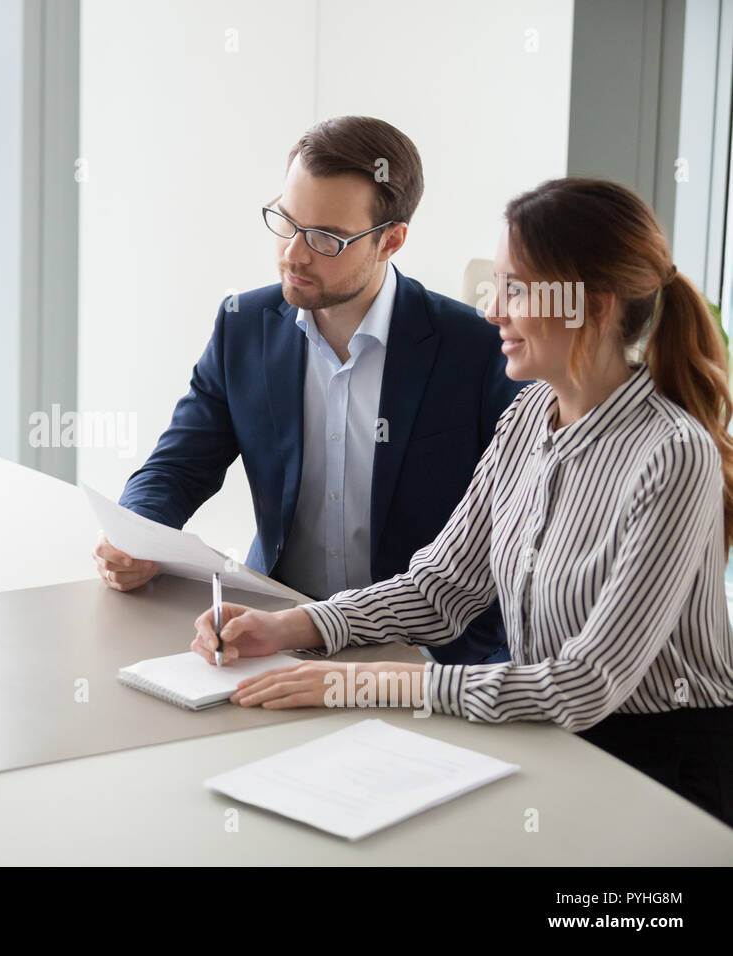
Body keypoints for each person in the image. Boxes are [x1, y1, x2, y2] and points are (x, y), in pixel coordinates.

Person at [190, 177, 733, 826]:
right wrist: (294, 627)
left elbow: (585, 684)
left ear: (594, 307)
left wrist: (363, 683)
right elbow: (441, 588)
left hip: (662, 769)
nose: (493, 310)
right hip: (544, 732)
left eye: (516, 289)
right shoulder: (531, 415)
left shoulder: (673, 454)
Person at [94, 116, 525, 665]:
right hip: (273, 628)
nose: (293, 255)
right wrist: (138, 535)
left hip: (417, 649)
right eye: (286, 222)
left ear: (391, 240)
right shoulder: (244, 325)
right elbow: (178, 467)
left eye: (326, 238)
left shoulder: (478, 350)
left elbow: (505, 543)